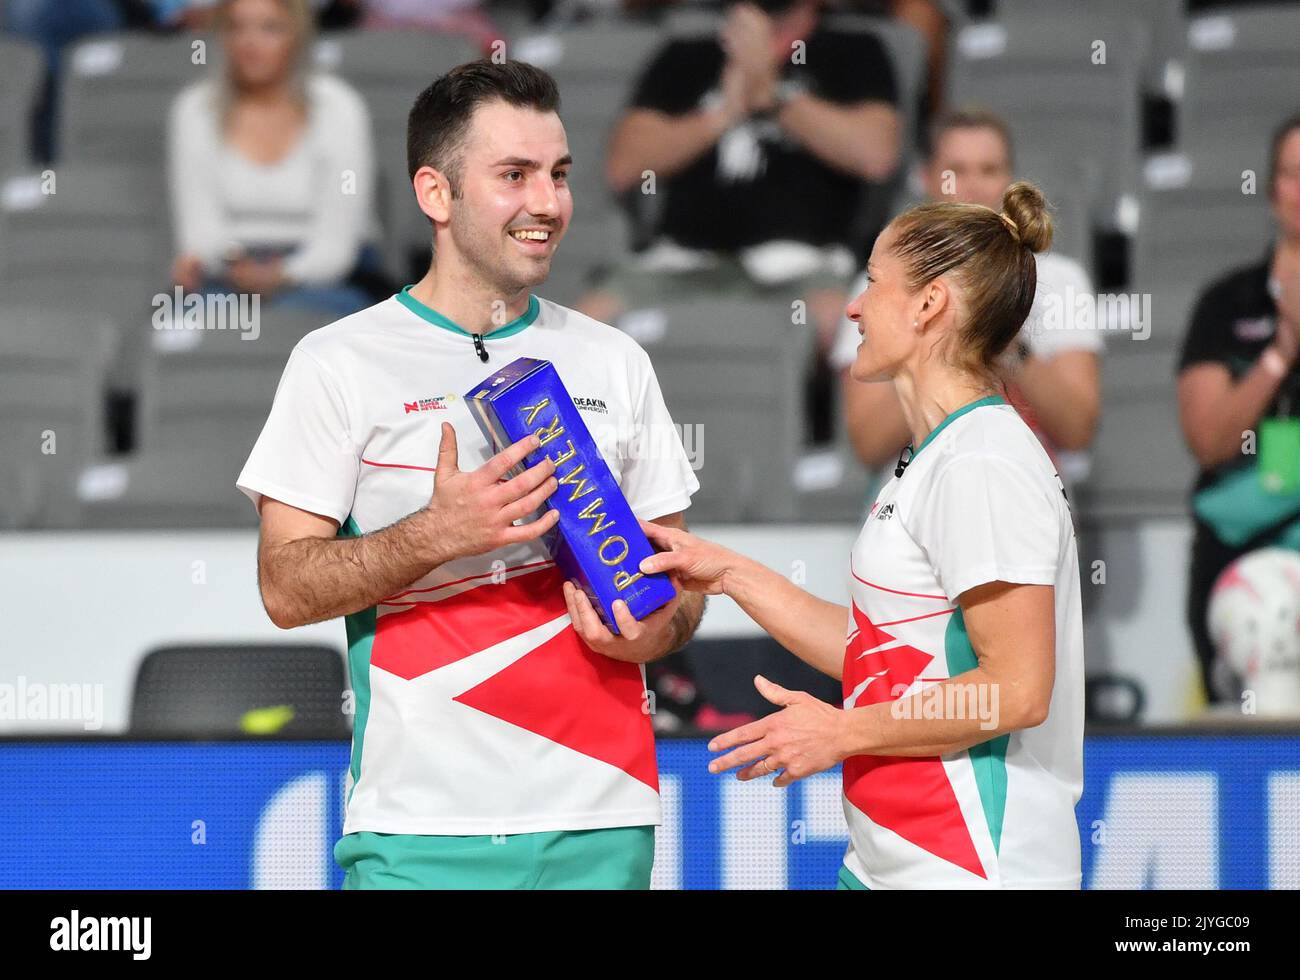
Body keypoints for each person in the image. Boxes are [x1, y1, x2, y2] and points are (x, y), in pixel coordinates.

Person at [235, 59, 705, 890]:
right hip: (419, 829)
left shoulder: (616, 359)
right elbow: (284, 586)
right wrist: (434, 536)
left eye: (558, 175)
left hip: (602, 816)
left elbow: (683, 583)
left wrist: (655, 627)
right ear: (436, 194)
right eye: (514, 176)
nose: (549, 204)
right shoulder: (337, 362)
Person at [638, 182, 1085, 889]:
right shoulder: (937, 455)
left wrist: (843, 731)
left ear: (930, 304)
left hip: (972, 867)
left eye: (874, 283)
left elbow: (1017, 689)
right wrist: (727, 573)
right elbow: (883, 653)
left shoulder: (984, 463)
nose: (852, 306)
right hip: (891, 862)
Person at [581, 0, 901, 442]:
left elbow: (876, 155)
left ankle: (823, 471)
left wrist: (772, 93)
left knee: (853, 329)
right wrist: (725, 112)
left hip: (802, 270)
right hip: (680, 264)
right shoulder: (688, 54)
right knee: (579, 336)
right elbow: (624, 165)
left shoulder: (853, 48)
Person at [832, 107, 1102, 495]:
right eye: (955, 171)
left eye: (989, 170)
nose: (973, 186)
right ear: (926, 178)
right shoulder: (879, 283)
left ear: (1010, 182)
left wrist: (1008, 341)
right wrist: (941, 343)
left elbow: (1077, 430)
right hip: (911, 485)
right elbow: (868, 444)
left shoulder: (1060, 280)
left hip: (1025, 481)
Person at [1176, 114, 1300, 705]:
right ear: (1273, 189)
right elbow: (1208, 440)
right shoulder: (1228, 303)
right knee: (1272, 641)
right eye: (1294, 175)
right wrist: (1281, 352)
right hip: (1242, 556)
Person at [168, 0, 389, 319]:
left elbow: (338, 242)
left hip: (328, 276)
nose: (250, 43)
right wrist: (237, 266)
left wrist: (285, 275)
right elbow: (200, 231)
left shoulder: (339, 107)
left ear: (298, 38)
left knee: (305, 327)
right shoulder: (194, 109)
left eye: (270, 28)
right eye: (236, 28)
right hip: (228, 273)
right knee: (183, 325)